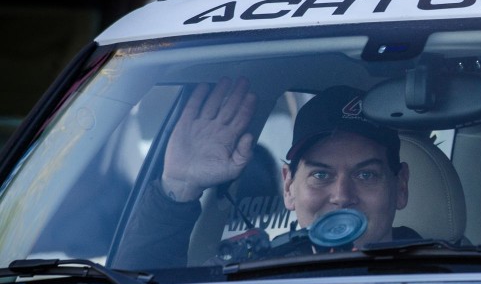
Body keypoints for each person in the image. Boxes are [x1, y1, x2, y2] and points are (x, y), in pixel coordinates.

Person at [115, 79, 414, 268]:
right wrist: (179, 186)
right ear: (288, 187)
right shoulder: (250, 272)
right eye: (321, 176)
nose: (342, 196)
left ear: (400, 187)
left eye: (366, 176)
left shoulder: (450, 274)